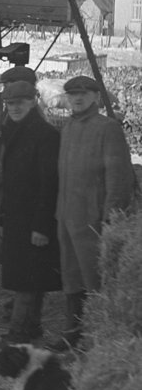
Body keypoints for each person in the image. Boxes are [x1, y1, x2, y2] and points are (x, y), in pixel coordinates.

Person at [52, 75, 136, 350]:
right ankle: (72, 331)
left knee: (95, 278)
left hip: (93, 219)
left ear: (96, 98)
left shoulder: (107, 128)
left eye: (84, 94)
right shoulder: (68, 128)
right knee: (72, 276)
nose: (77, 99)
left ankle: (99, 337)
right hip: (67, 216)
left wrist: (111, 217)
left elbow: (118, 176)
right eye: (72, 95)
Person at [0, 80, 62, 344]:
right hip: (17, 218)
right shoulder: (12, 132)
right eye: (10, 103)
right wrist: (0, 219)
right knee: (29, 276)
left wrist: (42, 226)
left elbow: (49, 184)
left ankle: (19, 332)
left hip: (34, 219)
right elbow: (9, 182)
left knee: (27, 279)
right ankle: (31, 328)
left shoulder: (45, 135)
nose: (15, 108)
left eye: (20, 102)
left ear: (33, 102)